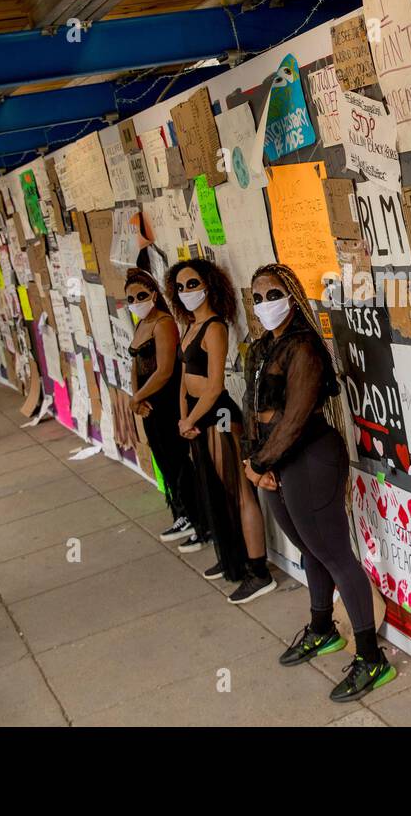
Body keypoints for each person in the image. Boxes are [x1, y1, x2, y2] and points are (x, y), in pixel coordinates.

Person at [242, 262, 395, 701]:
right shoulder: (261, 348)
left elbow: (295, 419)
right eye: (257, 297)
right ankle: (323, 627)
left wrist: (260, 461)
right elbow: (256, 410)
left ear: (291, 295)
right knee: (309, 549)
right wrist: (259, 461)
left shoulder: (304, 347)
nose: (265, 304)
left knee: (334, 553)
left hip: (309, 457)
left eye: (273, 294)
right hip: (276, 463)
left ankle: (371, 658)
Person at [167, 258, 275, 604]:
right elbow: (183, 379)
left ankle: (259, 571)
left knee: (240, 491)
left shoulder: (214, 327)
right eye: (181, 286)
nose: (186, 292)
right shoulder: (188, 327)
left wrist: (190, 420)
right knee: (219, 491)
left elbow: (214, 386)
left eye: (193, 284)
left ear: (209, 286)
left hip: (221, 415)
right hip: (198, 417)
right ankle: (235, 558)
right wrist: (184, 417)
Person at [125, 268, 205, 548]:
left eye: (141, 295)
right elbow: (136, 363)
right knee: (165, 461)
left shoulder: (163, 323)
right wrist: (137, 397)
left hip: (166, 399)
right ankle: (183, 513)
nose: (136, 301)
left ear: (154, 295)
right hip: (148, 404)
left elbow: (165, 370)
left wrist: (137, 398)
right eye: (131, 297)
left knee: (179, 461)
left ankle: (200, 521)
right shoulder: (140, 324)